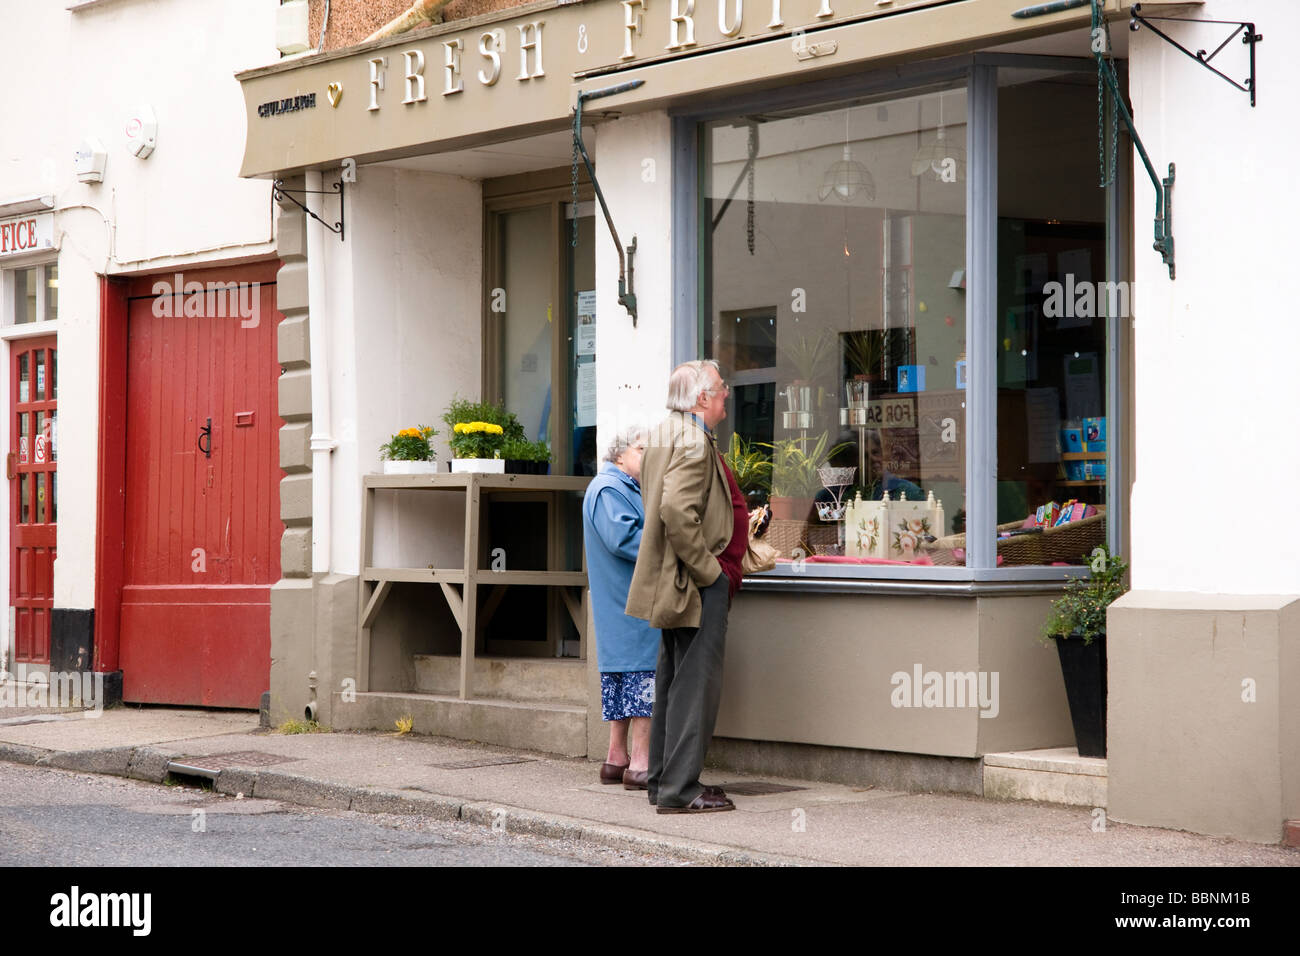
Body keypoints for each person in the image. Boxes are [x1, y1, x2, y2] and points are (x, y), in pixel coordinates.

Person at [626, 359, 750, 814]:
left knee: (674, 681)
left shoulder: (664, 433)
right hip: (696, 582)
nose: (726, 396)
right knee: (695, 684)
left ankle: (665, 781)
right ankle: (680, 790)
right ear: (701, 398)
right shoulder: (694, 442)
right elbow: (677, 512)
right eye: (720, 389)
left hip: (675, 581)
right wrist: (709, 571)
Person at [582, 427, 659, 790]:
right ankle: (640, 764)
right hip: (631, 605)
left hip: (623, 604)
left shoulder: (617, 487)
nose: (649, 455)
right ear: (619, 454)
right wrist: (673, 537)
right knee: (642, 678)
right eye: (642, 449)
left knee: (623, 680)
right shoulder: (609, 488)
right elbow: (625, 540)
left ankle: (617, 759)